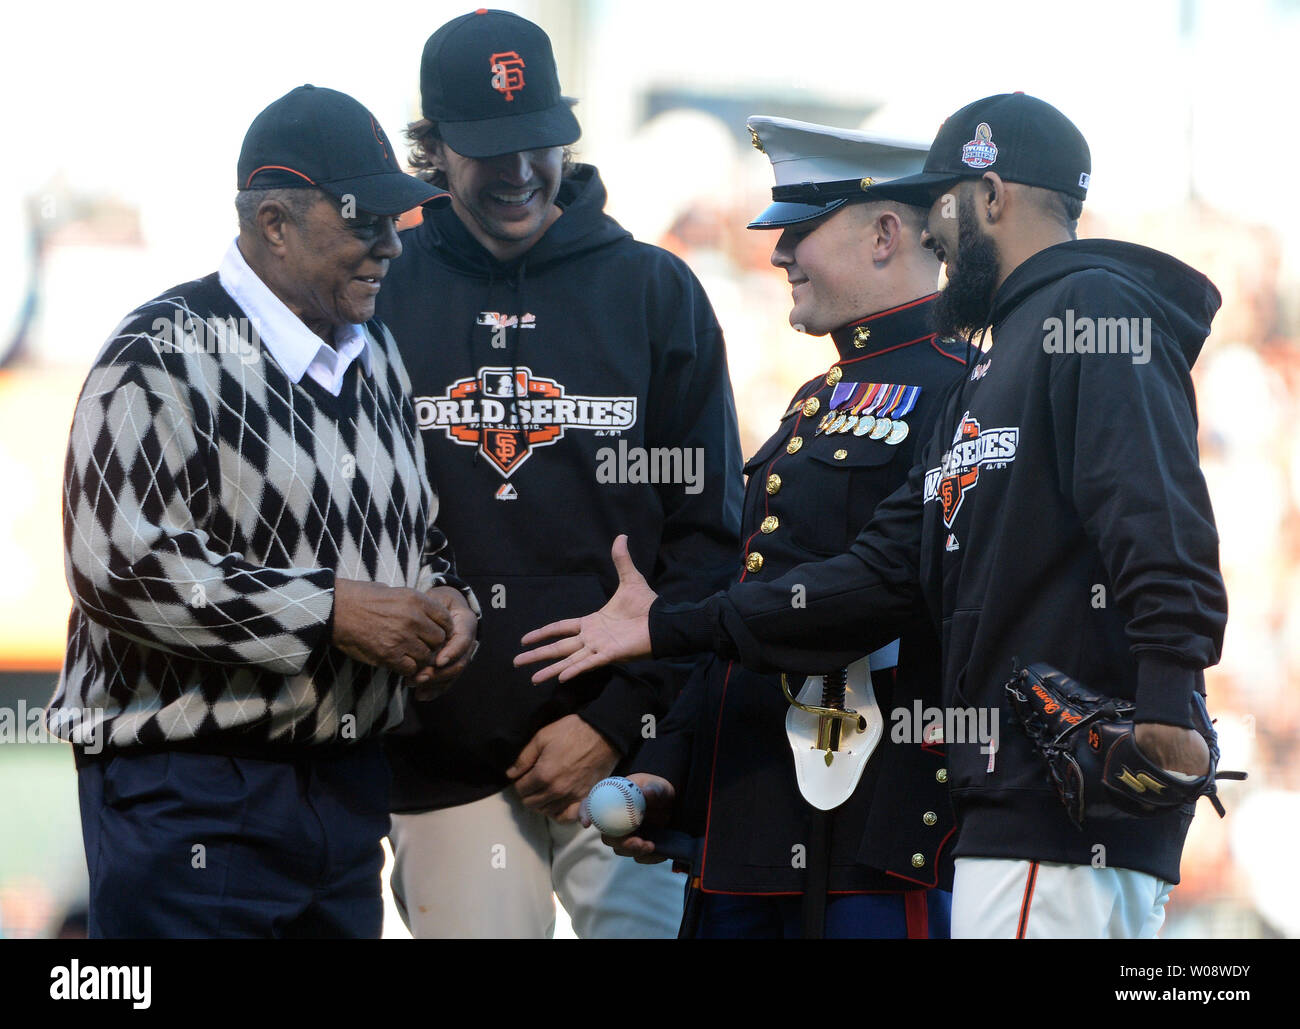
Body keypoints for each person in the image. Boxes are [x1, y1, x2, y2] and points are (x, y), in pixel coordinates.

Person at [519, 93, 1229, 940]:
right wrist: (674, 629)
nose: (934, 229)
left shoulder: (1091, 313)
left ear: (992, 196)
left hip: (1047, 811)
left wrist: (1171, 705)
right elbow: (884, 569)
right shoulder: (993, 364)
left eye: (943, 205)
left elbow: (1159, 524)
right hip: (1003, 805)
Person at [49, 84, 480, 939]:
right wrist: (330, 609)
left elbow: (415, 532)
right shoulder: (159, 350)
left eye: (395, 223)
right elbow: (119, 565)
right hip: (192, 792)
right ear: (275, 222)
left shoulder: (375, 349)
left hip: (346, 785)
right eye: (366, 224)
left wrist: (448, 602)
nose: (390, 246)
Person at [377, 9, 742, 939]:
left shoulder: (656, 291)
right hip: (445, 755)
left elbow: (709, 540)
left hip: (629, 748)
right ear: (434, 148)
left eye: (537, 142)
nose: (518, 172)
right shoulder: (379, 285)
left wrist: (618, 720)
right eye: (487, 149)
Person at [596, 117, 971, 938]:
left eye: (800, 232)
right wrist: (667, 766)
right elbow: (753, 594)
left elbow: (881, 588)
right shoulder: (814, 399)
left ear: (885, 233)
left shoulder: (967, 390)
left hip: (870, 837)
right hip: (746, 827)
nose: (778, 254)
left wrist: (664, 626)